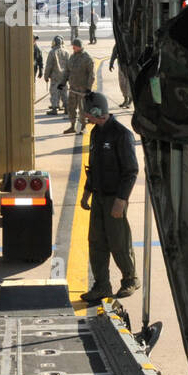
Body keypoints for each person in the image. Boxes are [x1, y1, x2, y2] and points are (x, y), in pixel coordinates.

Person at [79, 92, 139, 303]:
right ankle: (102, 285)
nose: (86, 117)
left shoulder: (121, 135)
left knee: (119, 241)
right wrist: (87, 193)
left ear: (97, 112)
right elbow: (93, 168)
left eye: (88, 113)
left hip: (115, 198)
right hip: (98, 197)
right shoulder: (96, 133)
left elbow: (131, 171)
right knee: (96, 242)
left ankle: (130, 279)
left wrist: (121, 201)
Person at [63, 37, 95, 135]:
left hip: (82, 90)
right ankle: (72, 126)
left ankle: (82, 127)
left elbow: (91, 75)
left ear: (79, 47)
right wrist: (62, 82)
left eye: (74, 46)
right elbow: (67, 71)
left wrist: (89, 88)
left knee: (82, 110)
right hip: (72, 88)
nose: (73, 48)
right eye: (73, 46)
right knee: (71, 108)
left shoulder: (87, 58)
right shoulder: (72, 57)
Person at [43, 35, 69, 114]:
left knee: (54, 92)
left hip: (55, 76)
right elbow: (69, 65)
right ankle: (67, 108)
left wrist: (46, 76)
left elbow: (49, 65)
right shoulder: (66, 52)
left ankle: (55, 108)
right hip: (64, 77)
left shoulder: (52, 52)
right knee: (64, 92)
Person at [109, 42, 132, 108]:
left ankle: (130, 101)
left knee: (129, 84)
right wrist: (111, 63)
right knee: (122, 84)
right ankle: (125, 100)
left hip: (130, 66)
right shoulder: (118, 43)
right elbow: (114, 54)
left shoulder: (131, 41)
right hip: (121, 66)